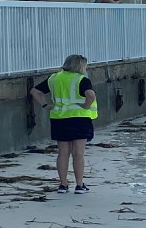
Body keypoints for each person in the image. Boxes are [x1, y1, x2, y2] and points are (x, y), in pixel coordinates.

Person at [34, 54, 98, 193]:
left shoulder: (54, 78)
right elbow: (91, 95)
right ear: (80, 66)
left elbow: (35, 91)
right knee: (78, 153)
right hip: (79, 119)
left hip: (59, 119)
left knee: (63, 153)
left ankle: (63, 185)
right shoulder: (81, 79)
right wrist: (86, 106)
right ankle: (79, 185)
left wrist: (45, 105)